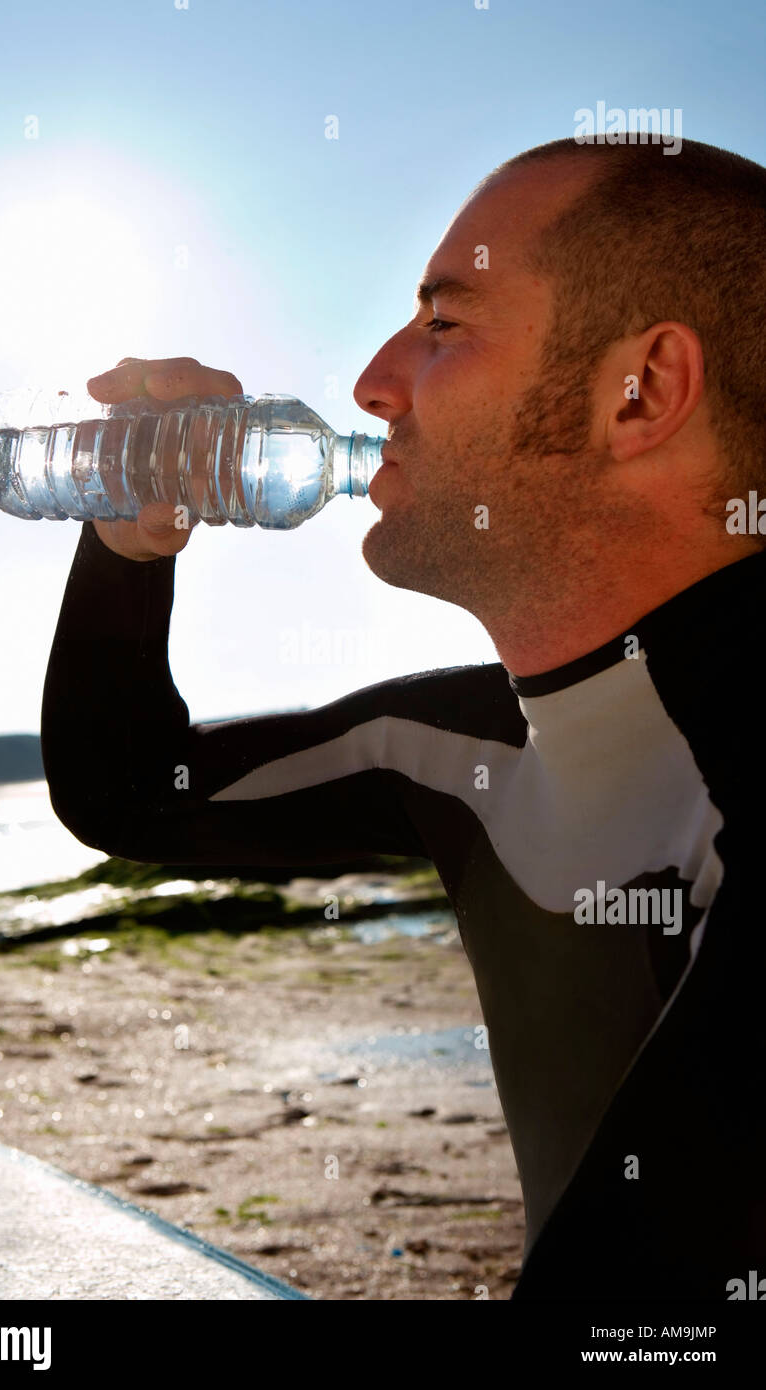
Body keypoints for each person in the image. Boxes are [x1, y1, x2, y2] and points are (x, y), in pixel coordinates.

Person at [42, 135, 766, 1300]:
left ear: (637, 393)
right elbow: (126, 789)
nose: (372, 382)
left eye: (443, 324)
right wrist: (127, 543)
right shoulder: (468, 751)